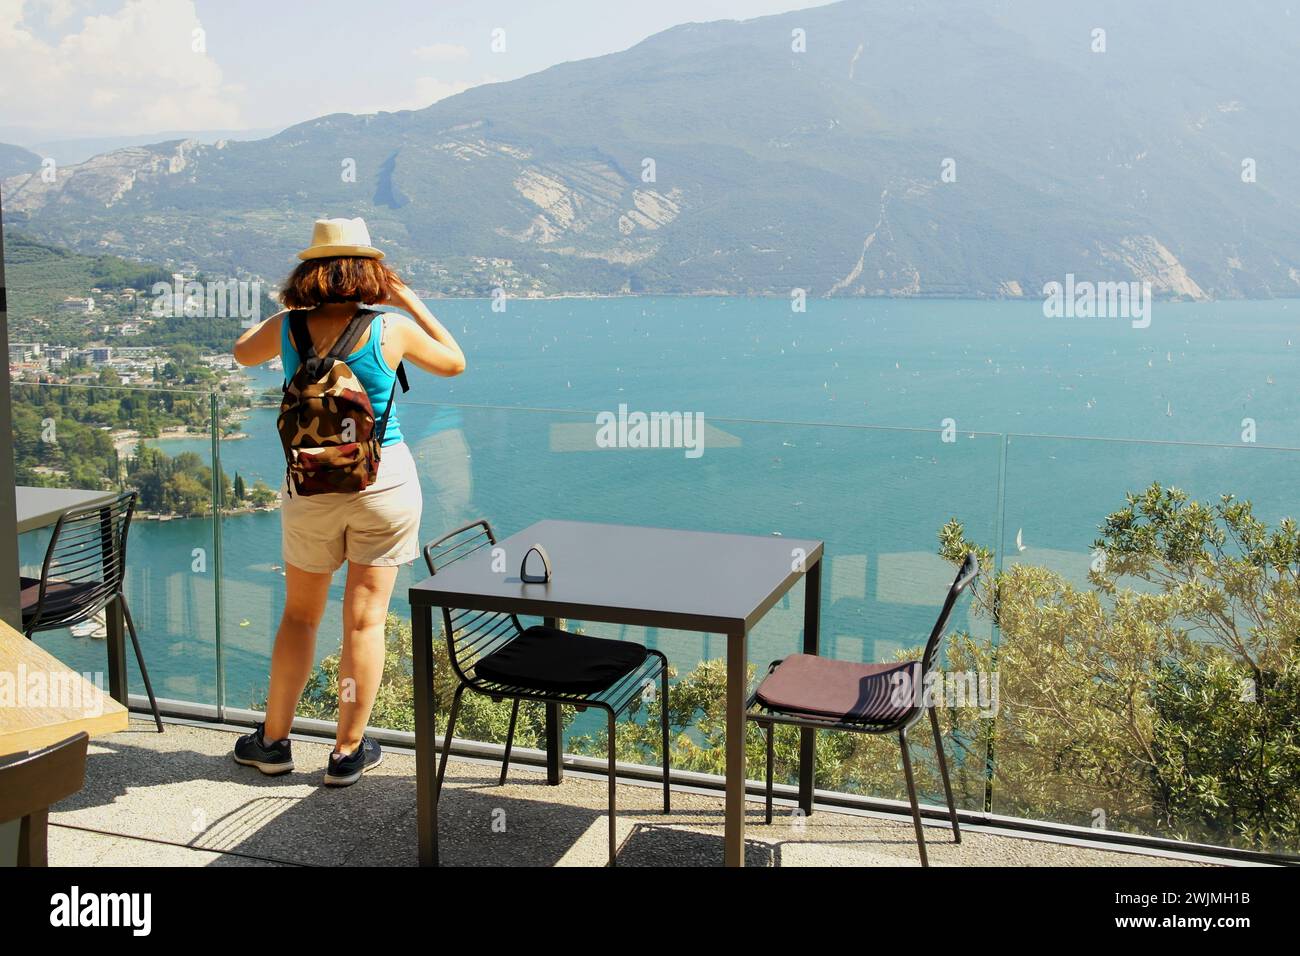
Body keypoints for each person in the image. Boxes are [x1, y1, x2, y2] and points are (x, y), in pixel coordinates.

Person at [230, 217, 465, 785]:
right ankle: (345, 753)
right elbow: (454, 361)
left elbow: (241, 354)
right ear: (371, 273)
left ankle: (273, 742)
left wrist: (288, 315)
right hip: (383, 483)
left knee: (299, 615)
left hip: (309, 485)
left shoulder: (288, 327)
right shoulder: (392, 329)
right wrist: (409, 300)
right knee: (365, 621)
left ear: (309, 271)